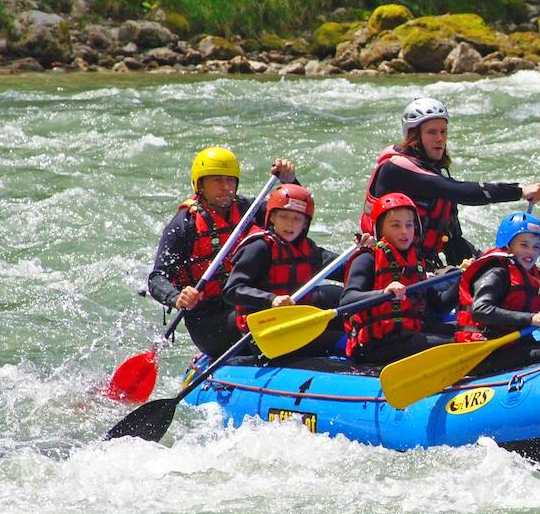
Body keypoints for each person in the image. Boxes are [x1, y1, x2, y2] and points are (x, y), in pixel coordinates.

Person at [359, 96, 540, 268]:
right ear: (414, 136)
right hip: (388, 264)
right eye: (431, 132)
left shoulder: (433, 173)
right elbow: (461, 192)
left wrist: (480, 265)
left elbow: (453, 239)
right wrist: (518, 191)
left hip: (422, 264)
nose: (440, 138)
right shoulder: (398, 167)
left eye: (443, 131)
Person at [146, 146, 296, 357]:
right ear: (200, 186)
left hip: (248, 299)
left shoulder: (248, 210)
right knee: (261, 317)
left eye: (230, 180)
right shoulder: (184, 225)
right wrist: (177, 297)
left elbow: (294, 218)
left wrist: (290, 182)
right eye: (217, 180)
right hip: (208, 320)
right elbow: (156, 278)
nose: (226, 187)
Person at [223, 183, 361, 358]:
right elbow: (232, 290)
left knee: (355, 326)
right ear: (272, 218)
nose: (290, 224)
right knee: (345, 342)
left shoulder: (307, 249)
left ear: (305, 223)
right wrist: (271, 300)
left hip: (296, 324)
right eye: (284, 216)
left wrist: (366, 254)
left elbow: (345, 269)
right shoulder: (259, 248)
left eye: (297, 219)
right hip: (266, 334)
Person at [453, 213, 540, 372]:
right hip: (483, 352)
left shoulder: (529, 276)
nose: (530, 252)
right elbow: (480, 310)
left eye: (536, 246)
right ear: (507, 245)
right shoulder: (496, 272)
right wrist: (531, 318)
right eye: (524, 245)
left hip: (509, 346)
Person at [342, 193, 452, 366]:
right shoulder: (367, 258)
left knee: (465, 332)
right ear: (380, 228)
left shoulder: (416, 260)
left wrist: (463, 280)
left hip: (410, 333)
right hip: (378, 345)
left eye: (409, 225)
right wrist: (383, 292)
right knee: (453, 344)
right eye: (395, 225)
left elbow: (438, 305)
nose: (404, 231)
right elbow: (347, 300)